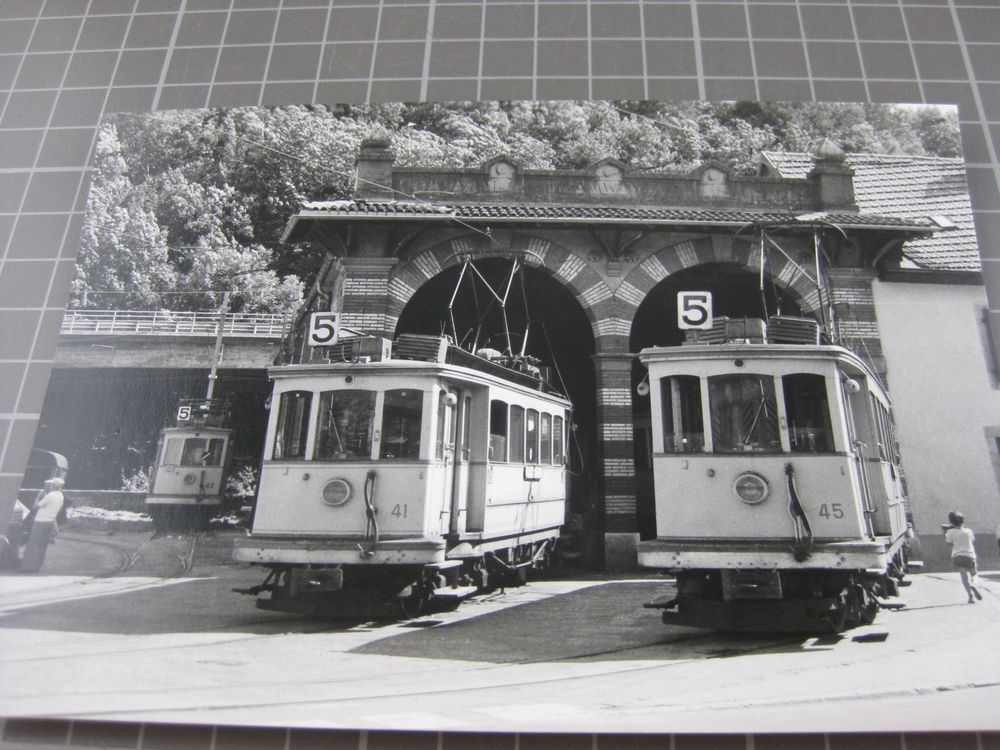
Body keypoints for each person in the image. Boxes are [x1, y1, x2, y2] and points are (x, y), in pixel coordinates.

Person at [19, 477, 65, 573]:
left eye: (51, 484)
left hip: (41, 520)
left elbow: (35, 507)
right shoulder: (60, 495)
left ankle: (30, 567)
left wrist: (39, 496)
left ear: (54, 486)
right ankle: (37, 565)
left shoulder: (50, 495)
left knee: (35, 543)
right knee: (42, 544)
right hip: (50, 521)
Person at [944, 511, 982, 604]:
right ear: (963, 521)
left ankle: (970, 597)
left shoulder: (950, 532)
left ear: (951, 522)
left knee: (964, 578)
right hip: (970, 555)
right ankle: (974, 585)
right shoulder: (969, 531)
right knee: (974, 574)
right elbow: (972, 541)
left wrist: (946, 533)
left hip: (957, 556)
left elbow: (949, 544)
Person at [0, 499, 30, 569]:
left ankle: (4, 562)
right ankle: (12, 562)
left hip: (8, 528)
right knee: (14, 545)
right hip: (17, 527)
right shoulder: (19, 506)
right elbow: (23, 519)